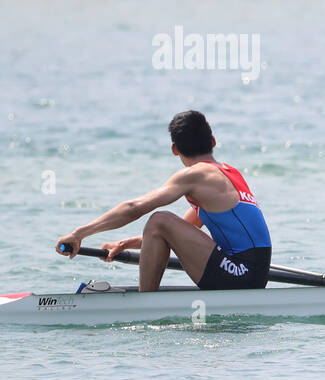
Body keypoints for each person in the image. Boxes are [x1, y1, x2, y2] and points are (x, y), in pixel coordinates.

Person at [55, 110, 272, 290]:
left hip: (241, 274)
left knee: (159, 219)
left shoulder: (195, 175)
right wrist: (126, 244)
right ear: (213, 141)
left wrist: (78, 234)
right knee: (161, 225)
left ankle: (146, 305)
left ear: (175, 149)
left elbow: (133, 208)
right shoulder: (229, 173)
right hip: (251, 273)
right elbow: (180, 232)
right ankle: (149, 300)